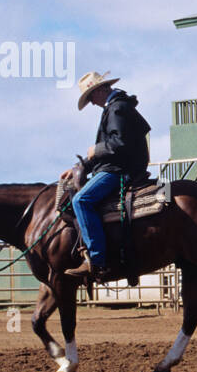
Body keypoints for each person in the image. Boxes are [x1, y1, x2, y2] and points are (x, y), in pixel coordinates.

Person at [62, 71, 153, 279]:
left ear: (101, 90)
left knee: (82, 200)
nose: (92, 103)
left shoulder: (117, 109)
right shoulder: (118, 107)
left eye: (91, 97)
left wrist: (96, 150)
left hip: (120, 171)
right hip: (119, 167)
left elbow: (119, 144)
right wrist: (82, 164)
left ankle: (96, 259)